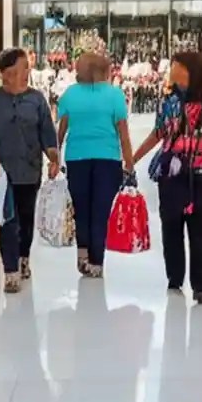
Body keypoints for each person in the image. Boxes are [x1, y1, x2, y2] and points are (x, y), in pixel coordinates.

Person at [132, 51, 202, 305]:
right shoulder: (169, 103)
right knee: (171, 227)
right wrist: (134, 158)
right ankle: (174, 279)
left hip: (200, 176)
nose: (172, 68)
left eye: (177, 65)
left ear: (191, 71)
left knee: (199, 230)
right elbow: (158, 133)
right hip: (171, 176)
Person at [0, 47, 60, 293]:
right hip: (1, 174)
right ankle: (11, 271)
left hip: (30, 170)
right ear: (4, 74)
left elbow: (47, 134)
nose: (24, 74)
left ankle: (23, 258)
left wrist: (53, 156)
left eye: (25, 69)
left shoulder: (37, 100)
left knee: (26, 219)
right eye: (18, 70)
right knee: (8, 219)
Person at [57, 52, 135, 279]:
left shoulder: (70, 95)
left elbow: (61, 131)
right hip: (108, 160)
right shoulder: (115, 96)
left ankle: (82, 254)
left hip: (76, 159)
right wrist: (129, 163)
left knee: (81, 208)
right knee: (100, 210)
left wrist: (54, 158)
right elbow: (123, 133)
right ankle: (97, 261)